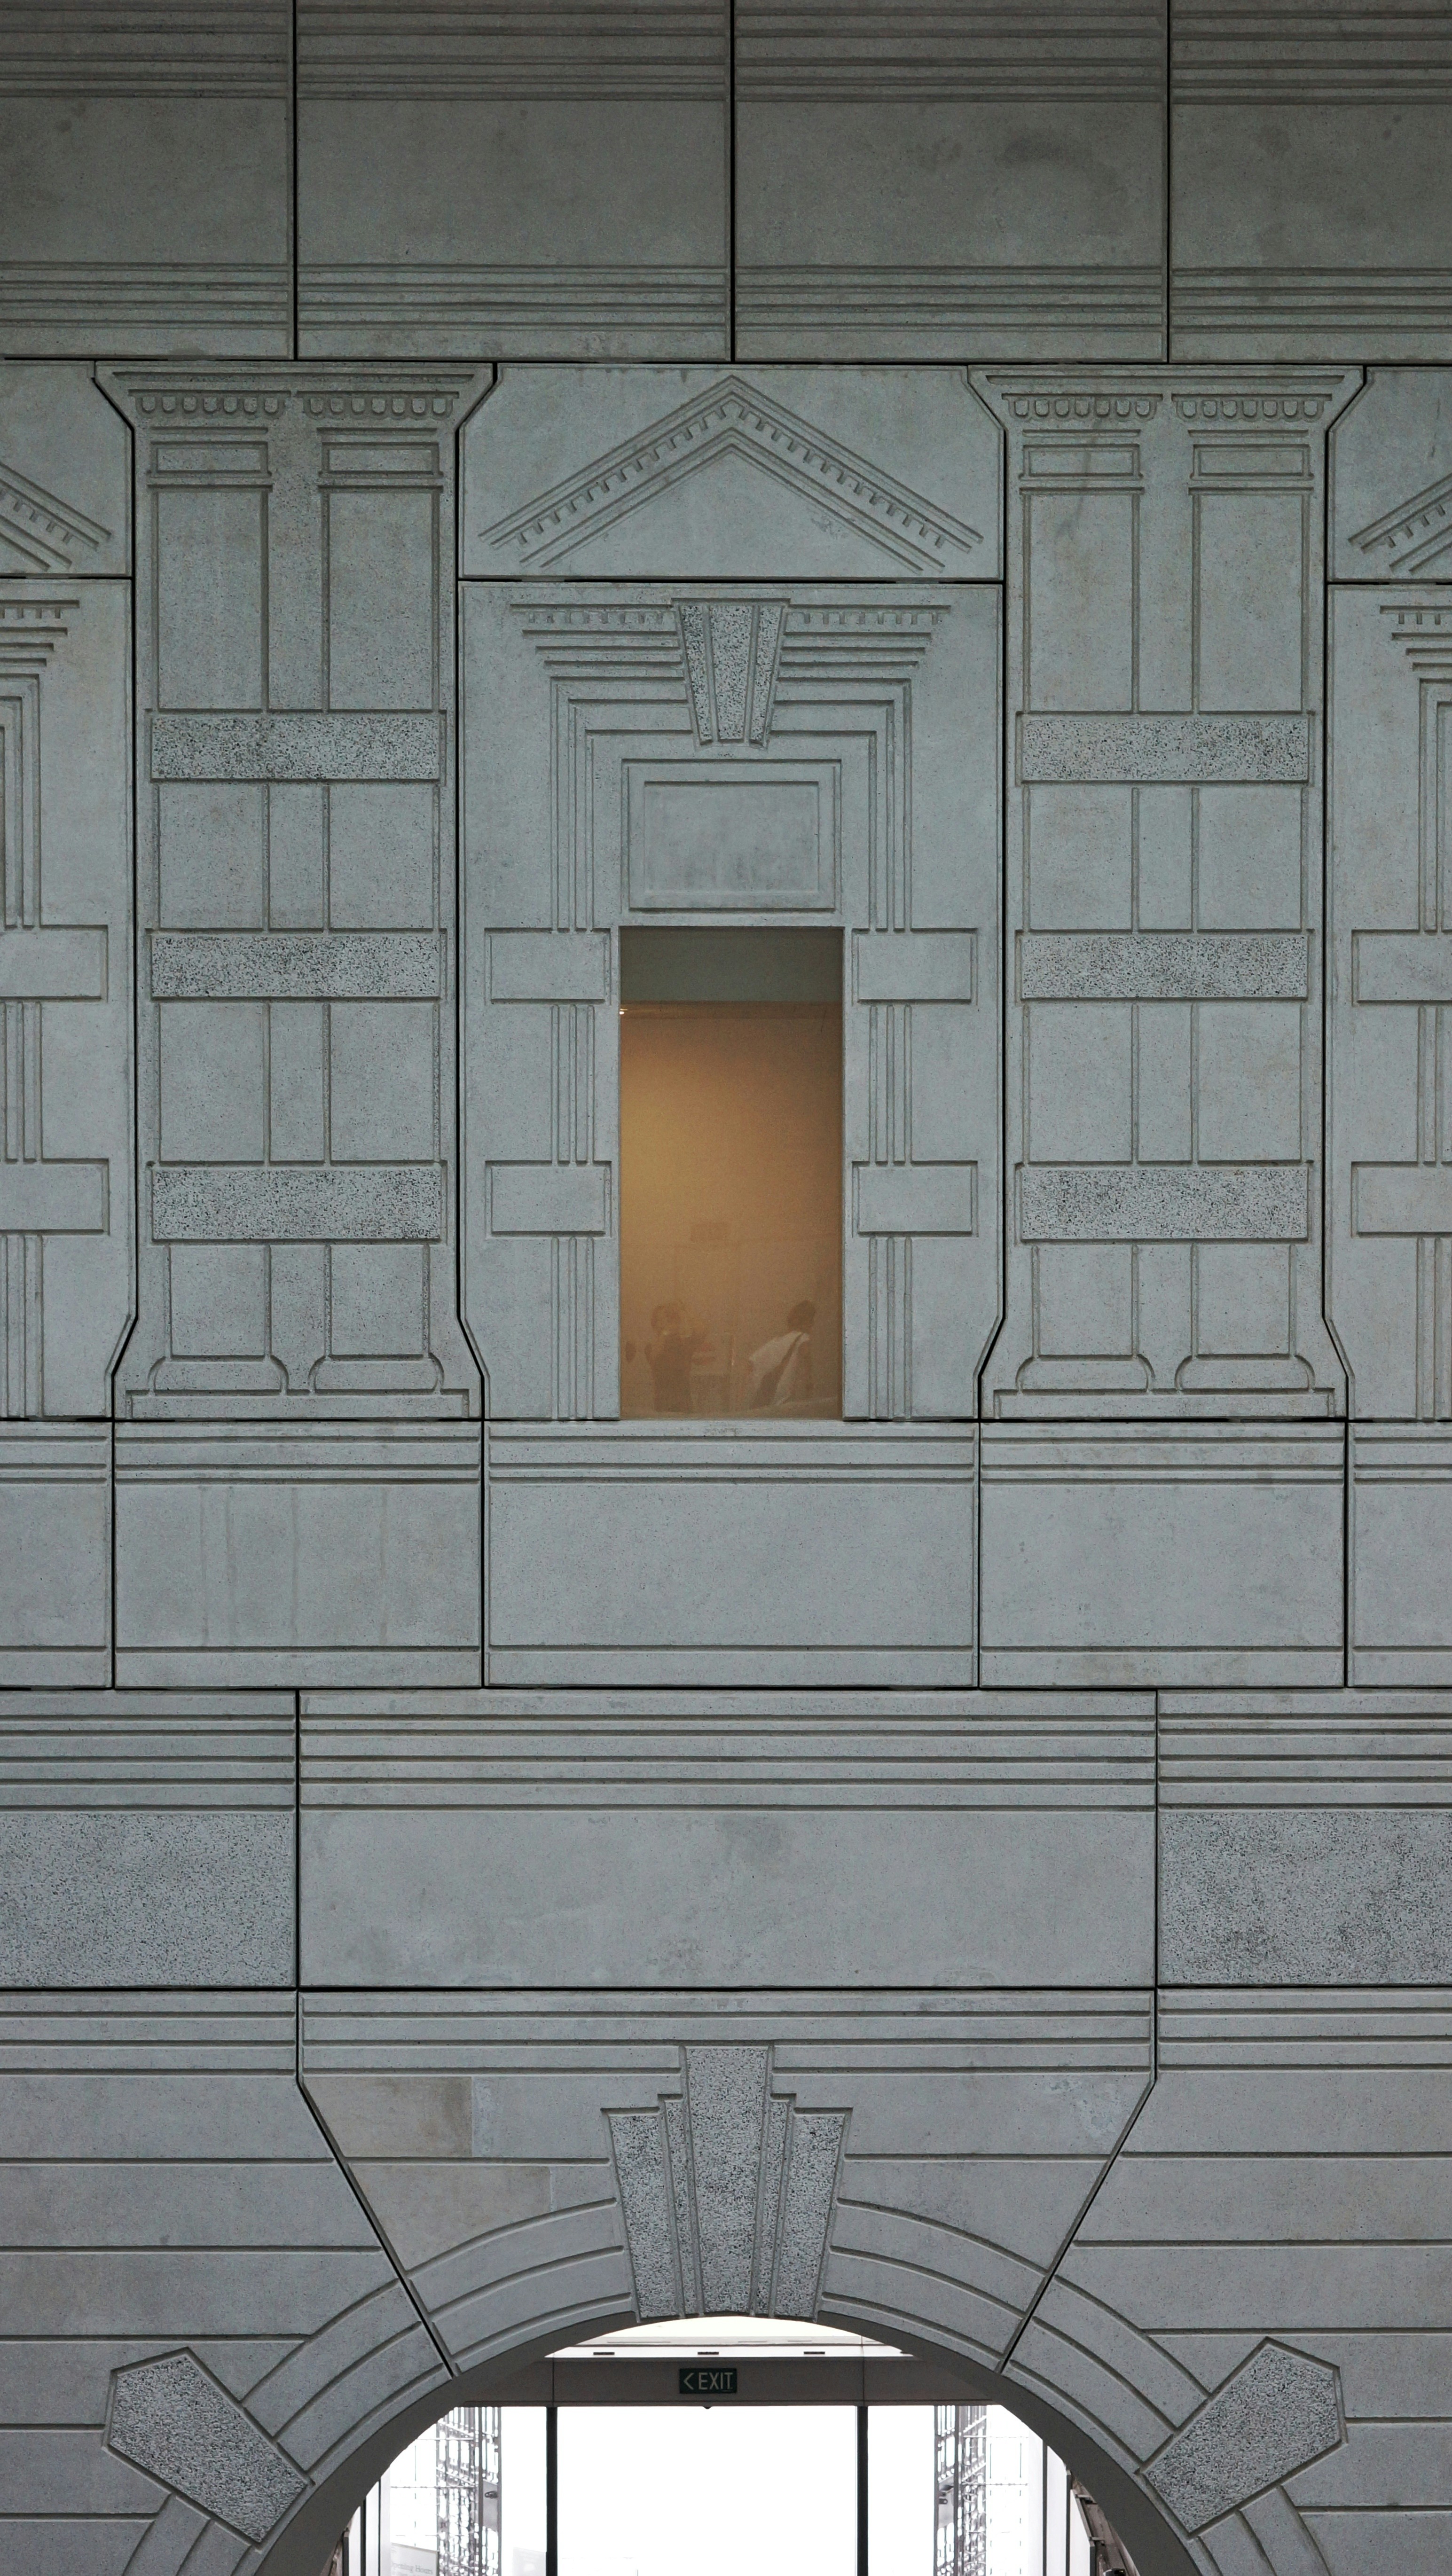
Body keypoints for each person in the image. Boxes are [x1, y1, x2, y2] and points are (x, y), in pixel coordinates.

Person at [747, 1299, 815, 1409]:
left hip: (765, 1404)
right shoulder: (803, 1339)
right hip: (783, 1404)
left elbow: (751, 1364)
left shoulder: (775, 1342)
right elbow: (806, 1375)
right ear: (809, 1321)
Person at [646, 1301, 706, 1413]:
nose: (666, 1322)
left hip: (684, 1403)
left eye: (669, 1318)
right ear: (655, 1323)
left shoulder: (683, 1343)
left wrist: (685, 1312)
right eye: (661, 1319)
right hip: (663, 1403)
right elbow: (654, 1357)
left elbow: (701, 1331)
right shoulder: (653, 1345)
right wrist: (666, 1333)